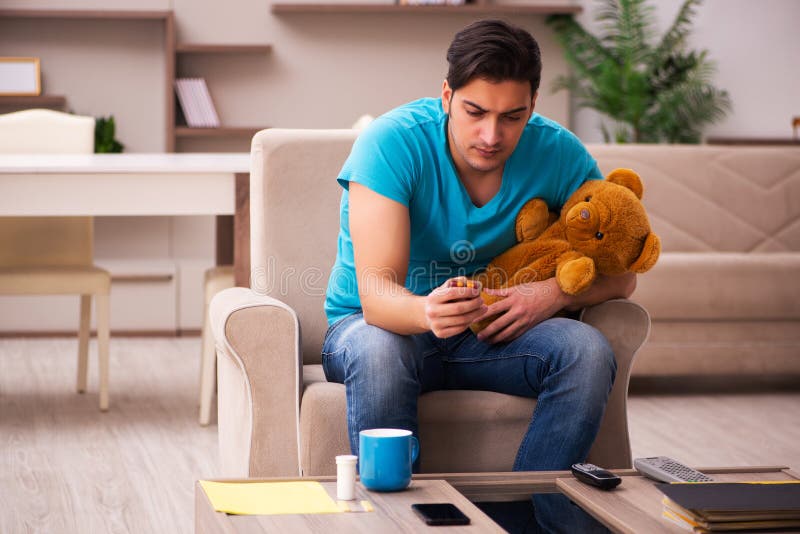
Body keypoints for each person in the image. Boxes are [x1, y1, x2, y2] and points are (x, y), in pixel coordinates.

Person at [322, 18, 633, 532]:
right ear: (447, 95)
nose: (492, 135)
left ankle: (531, 518)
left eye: (513, 117)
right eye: (475, 112)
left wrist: (550, 294)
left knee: (586, 349)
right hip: (382, 326)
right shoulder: (392, 144)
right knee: (379, 351)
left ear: (533, 104)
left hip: (490, 333)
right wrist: (425, 309)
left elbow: (622, 277)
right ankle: (398, 523)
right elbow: (377, 296)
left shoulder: (559, 153)